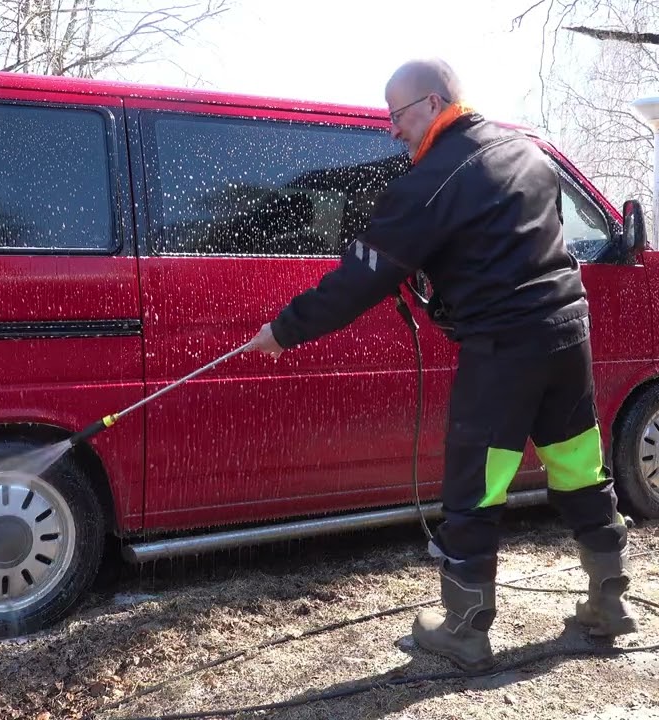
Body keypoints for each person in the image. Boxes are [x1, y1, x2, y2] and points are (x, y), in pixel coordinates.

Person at [244, 58, 638, 670]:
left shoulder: (429, 182)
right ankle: (609, 601)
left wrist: (283, 331)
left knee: (476, 484)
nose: (392, 130)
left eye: (396, 116)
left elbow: (361, 279)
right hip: (567, 337)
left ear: (430, 105)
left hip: (504, 348)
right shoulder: (527, 153)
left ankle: (464, 627)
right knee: (578, 466)